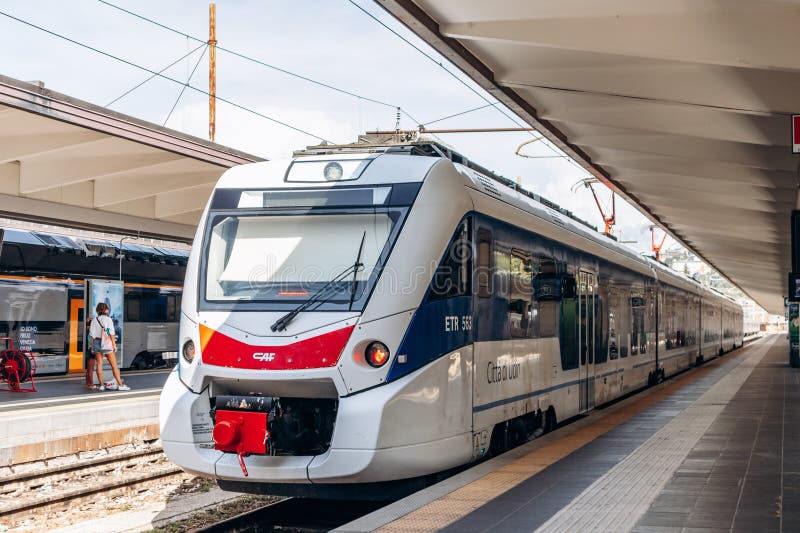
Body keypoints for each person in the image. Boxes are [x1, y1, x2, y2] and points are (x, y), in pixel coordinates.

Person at [90, 302, 130, 391]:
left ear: (98, 310)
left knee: (99, 365)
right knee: (114, 365)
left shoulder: (94, 320)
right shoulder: (108, 319)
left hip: (96, 342)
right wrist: (114, 345)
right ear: (105, 310)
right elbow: (111, 333)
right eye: (107, 309)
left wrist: (92, 346)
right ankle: (120, 385)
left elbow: (92, 335)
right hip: (106, 343)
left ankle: (101, 385)